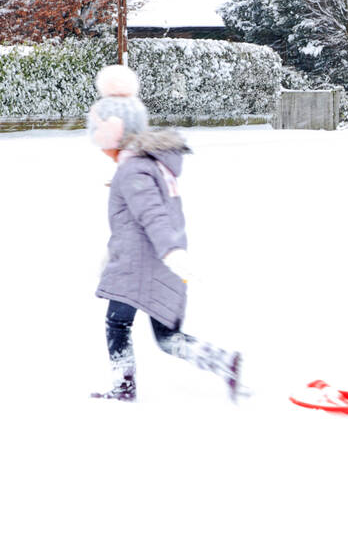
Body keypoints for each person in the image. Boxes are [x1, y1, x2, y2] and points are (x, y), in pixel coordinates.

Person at [87, 64, 243, 402]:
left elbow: (153, 214)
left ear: (113, 132)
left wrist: (173, 252)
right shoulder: (151, 164)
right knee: (168, 336)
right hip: (153, 263)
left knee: (117, 324)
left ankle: (123, 385)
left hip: (143, 265)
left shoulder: (133, 170)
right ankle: (224, 362)